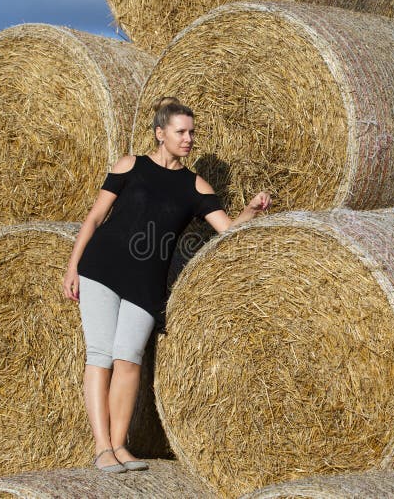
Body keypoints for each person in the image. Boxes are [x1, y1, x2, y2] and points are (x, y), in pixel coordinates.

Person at [62, 97, 271, 473]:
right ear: (161, 134)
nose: (189, 139)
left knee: (129, 360)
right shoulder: (130, 165)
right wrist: (72, 266)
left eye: (192, 132)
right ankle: (101, 447)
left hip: (147, 281)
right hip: (102, 268)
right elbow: (95, 218)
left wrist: (250, 211)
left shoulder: (194, 185)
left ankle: (120, 445)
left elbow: (226, 232)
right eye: (181, 132)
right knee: (100, 356)